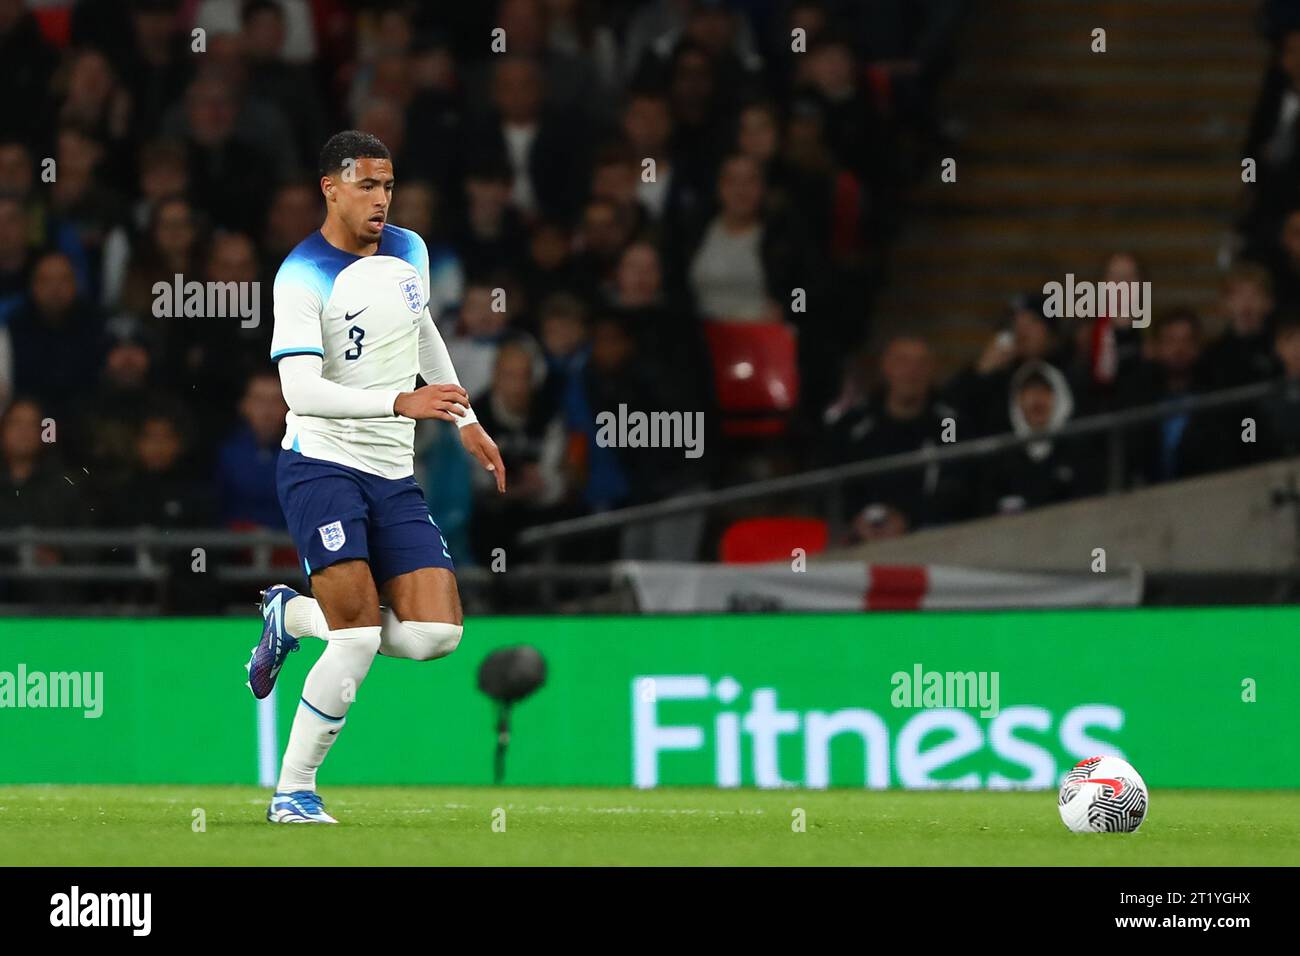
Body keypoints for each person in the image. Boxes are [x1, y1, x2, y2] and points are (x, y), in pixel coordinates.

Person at [248, 131, 506, 824]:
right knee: (358, 636)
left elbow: (421, 332)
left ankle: (292, 615)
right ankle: (293, 793)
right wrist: (401, 401)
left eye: (388, 185)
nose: (382, 199)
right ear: (330, 188)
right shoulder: (301, 273)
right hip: (321, 467)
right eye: (367, 185)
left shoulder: (409, 250)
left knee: (435, 635)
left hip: (391, 473)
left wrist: (464, 416)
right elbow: (300, 391)